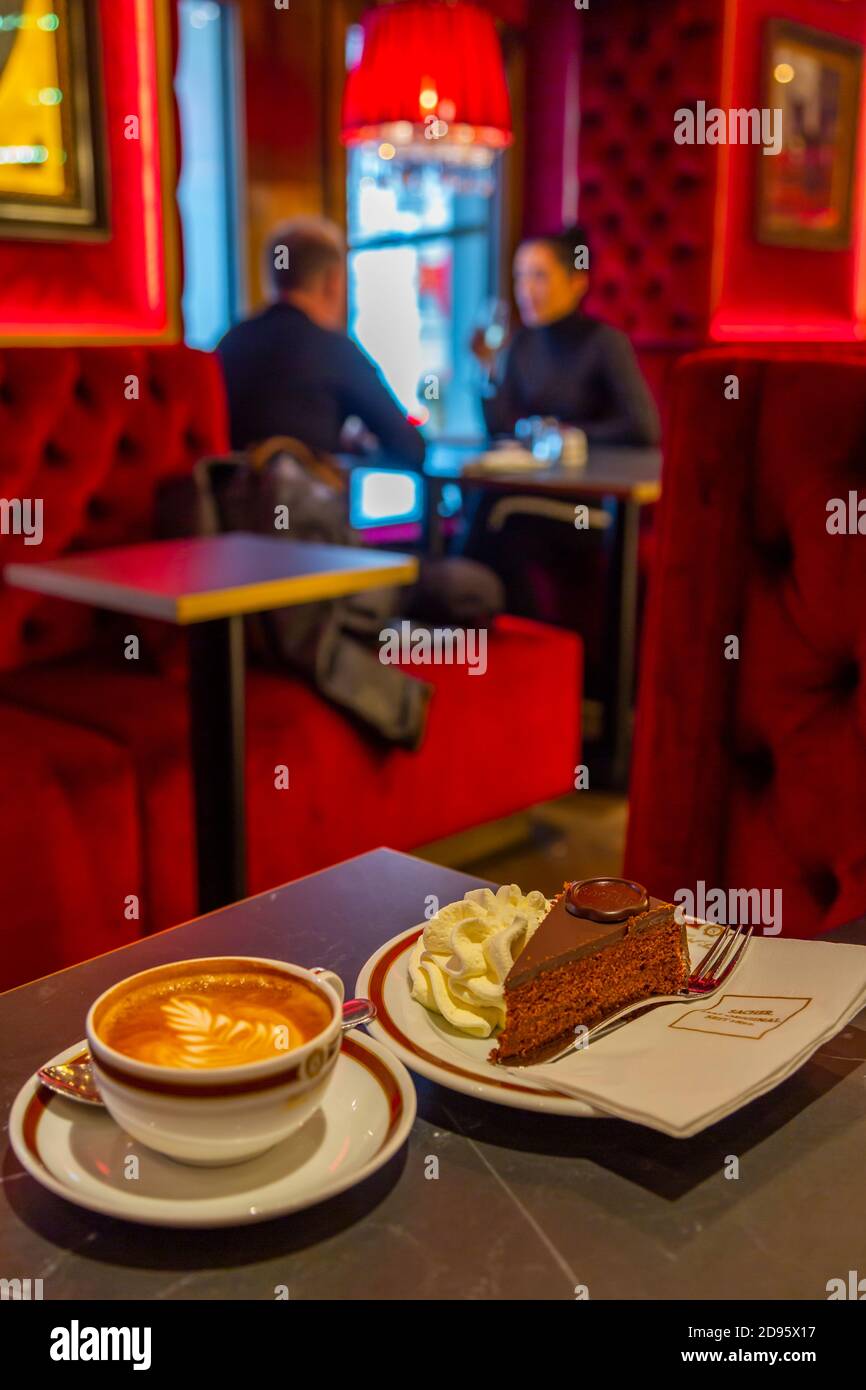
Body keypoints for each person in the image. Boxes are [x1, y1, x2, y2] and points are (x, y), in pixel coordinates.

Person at [218, 217, 425, 467]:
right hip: (306, 504)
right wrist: (353, 452)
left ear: (272, 277)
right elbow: (409, 448)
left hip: (228, 503)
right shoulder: (334, 351)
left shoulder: (230, 342)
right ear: (332, 282)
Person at [473, 226, 659, 446]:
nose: (526, 290)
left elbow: (644, 429)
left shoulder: (605, 341)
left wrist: (567, 435)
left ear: (577, 282)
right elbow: (498, 429)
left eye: (539, 276)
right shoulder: (521, 342)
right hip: (537, 477)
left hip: (595, 474)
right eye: (520, 277)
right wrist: (487, 367)